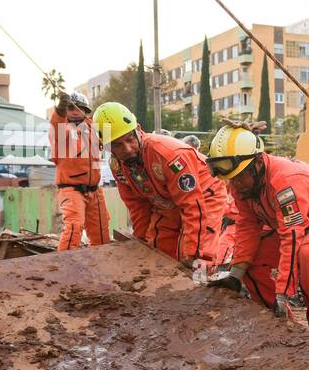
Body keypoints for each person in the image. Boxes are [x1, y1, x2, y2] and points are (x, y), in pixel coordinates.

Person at [203, 123, 309, 327]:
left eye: (240, 177)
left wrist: (284, 291)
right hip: (299, 226)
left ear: (257, 163)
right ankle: (279, 323)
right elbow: (247, 226)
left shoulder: (284, 180)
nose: (236, 184)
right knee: (250, 261)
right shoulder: (243, 184)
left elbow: (291, 236)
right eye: (231, 179)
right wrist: (236, 274)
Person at [92, 102, 227, 268]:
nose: (127, 149)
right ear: (105, 147)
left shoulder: (169, 155)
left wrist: (192, 255)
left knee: (199, 255)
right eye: (117, 145)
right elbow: (137, 206)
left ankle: (201, 284)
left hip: (203, 194)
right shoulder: (118, 165)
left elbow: (193, 207)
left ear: (139, 130)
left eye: (130, 139)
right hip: (166, 198)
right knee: (159, 247)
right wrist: (140, 242)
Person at [48, 90, 111, 251]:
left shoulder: (92, 128)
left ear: (85, 111)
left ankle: (100, 267)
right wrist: (60, 108)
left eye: (79, 108)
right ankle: (65, 268)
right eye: (70, 108)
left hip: (95, 191)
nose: (75, 111)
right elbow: (57, 121)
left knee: (102, 233)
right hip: (71, 190)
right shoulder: (61, 130)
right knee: (74, 227)